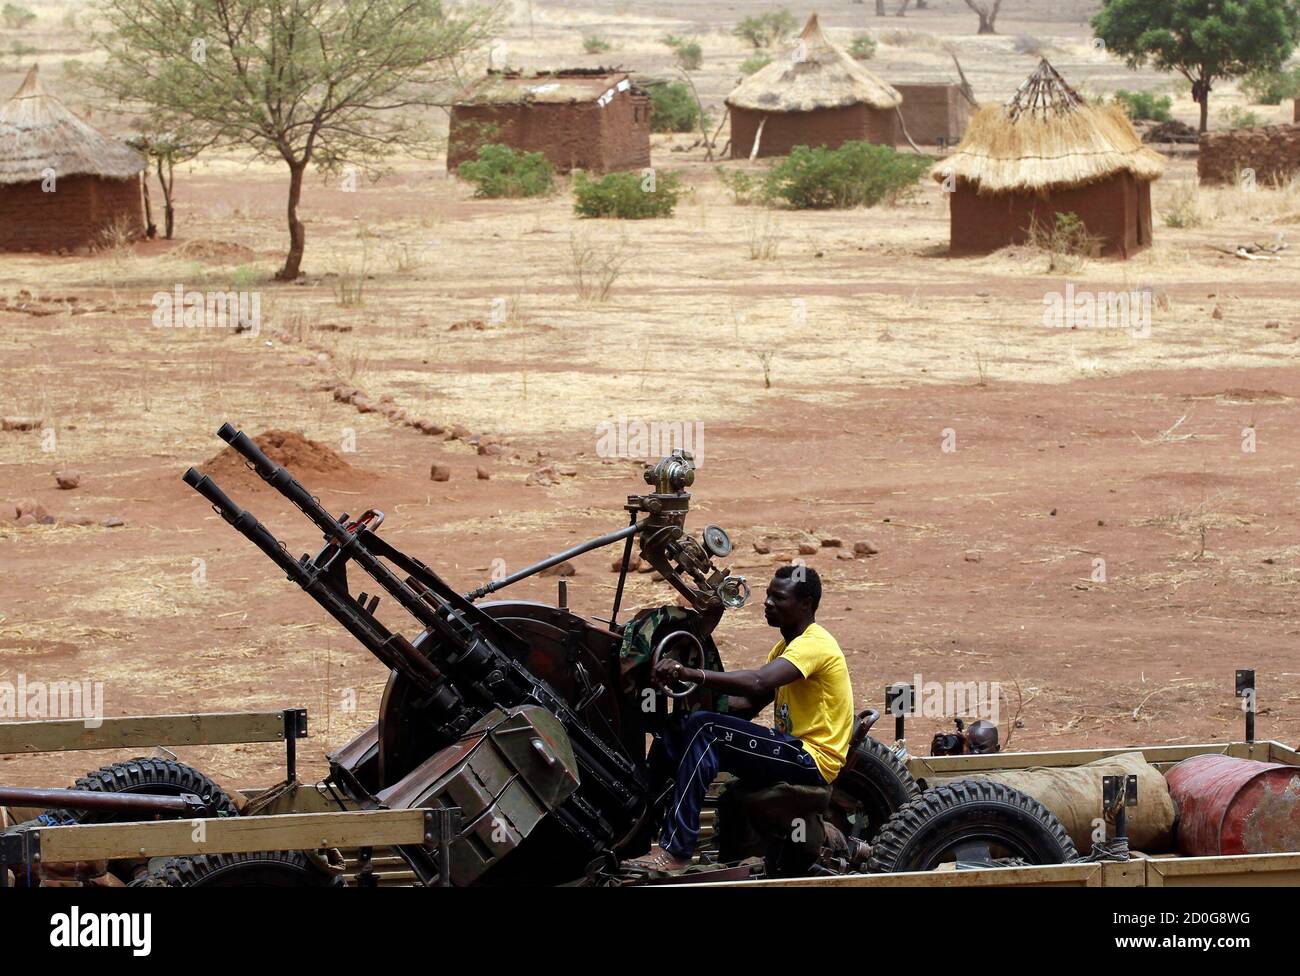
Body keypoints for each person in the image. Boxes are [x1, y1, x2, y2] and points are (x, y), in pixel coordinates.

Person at [624, 564, 854, 872]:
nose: (768, 603)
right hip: (792, 750)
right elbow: (746, 704)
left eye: (779, 598)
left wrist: (691, 673)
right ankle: (634, 832)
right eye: (768, 595)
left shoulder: (814, 644)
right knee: (684, 727)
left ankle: (676, 852)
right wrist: (683, 695)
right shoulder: (785, 648)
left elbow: (757, 682)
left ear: (806, 604)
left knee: (706, 728)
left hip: (810, 759)